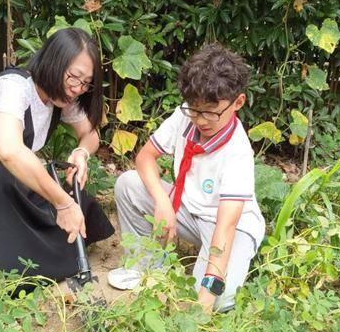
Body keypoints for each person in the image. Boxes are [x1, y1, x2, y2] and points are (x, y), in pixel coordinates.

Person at [0, 27, 114, 286]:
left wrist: (81, 152)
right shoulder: (13, 88)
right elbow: (10, 151)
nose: (77, 88)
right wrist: (62, 204)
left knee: (74, 199)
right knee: (7, 255)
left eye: (86, 83)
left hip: (9, 176)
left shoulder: (62, 96)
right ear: (52, 62)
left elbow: (90, 134)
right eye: (74, 77)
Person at [107, 43, 264, 313]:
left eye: (211, 111)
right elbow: (145, 157)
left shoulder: (237, 153)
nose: (200, 120)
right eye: (194, 108)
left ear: (238, 102)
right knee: (128, 184)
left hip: (229, 226)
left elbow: (226, 227)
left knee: (220, 298)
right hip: (189, 210)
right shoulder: (186, 116)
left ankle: (227, 263)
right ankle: (144, 268)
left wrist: (205, 299)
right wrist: (162, 202)